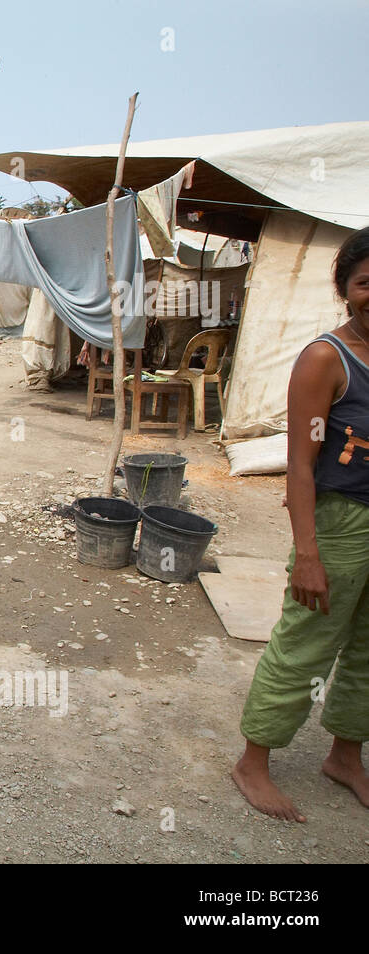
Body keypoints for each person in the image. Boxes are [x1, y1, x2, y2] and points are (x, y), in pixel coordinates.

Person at [231, 226, 369, 822]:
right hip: (340, 524)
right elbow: (301, 463)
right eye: (367, 283)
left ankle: (345, 755)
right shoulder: (325, 358)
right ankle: (253, 763)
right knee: (304, 646)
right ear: (345, 289)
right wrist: (307, 553)